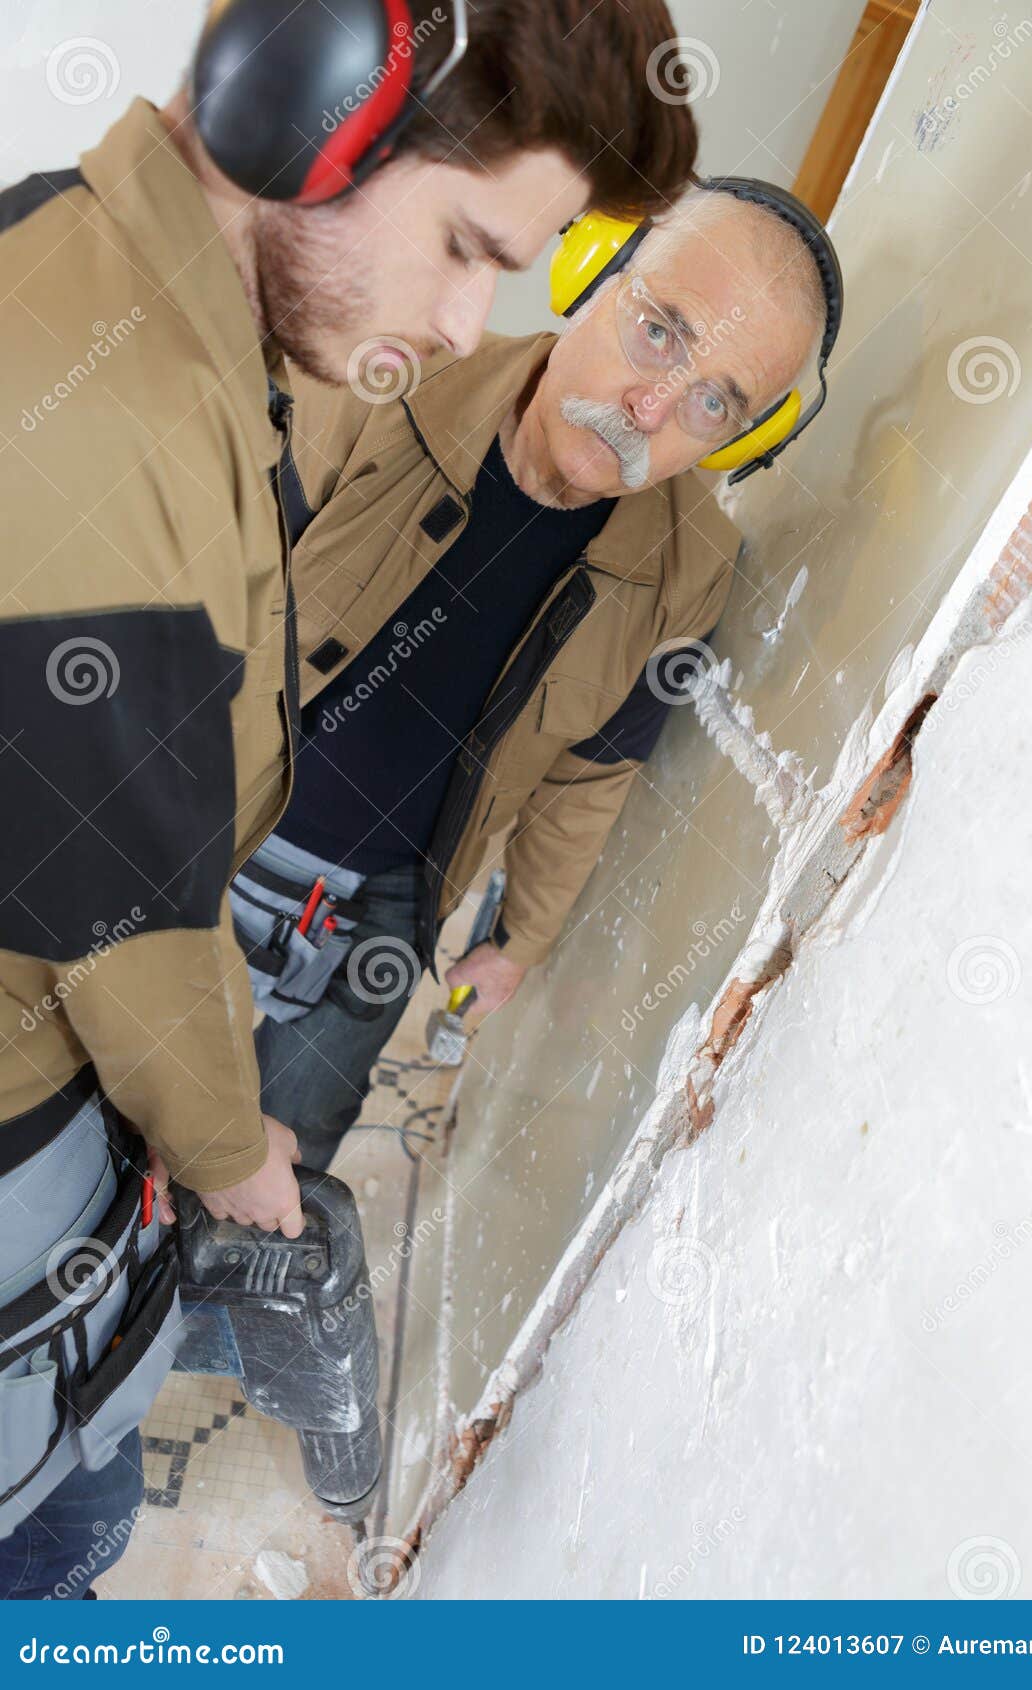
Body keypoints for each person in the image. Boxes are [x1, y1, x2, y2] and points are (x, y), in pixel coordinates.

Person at [0, 0, 697, 1597]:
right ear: (304, 105)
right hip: (22, 1096)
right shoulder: (105, 425)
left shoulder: (138, 311)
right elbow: (122, 924)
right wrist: (230, 1144)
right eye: (461, 244)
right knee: (66, 1517)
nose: (464, 321)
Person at [226, 178, 842, 1173]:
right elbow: (180, 618)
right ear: (588, 271)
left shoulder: (687, 571)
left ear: (743, 438)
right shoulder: (377, 382)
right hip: (201, 823)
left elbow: (590, 772)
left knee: (266, 1196)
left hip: (377, 922)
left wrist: (518, 938)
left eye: (714, 400)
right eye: (658, 332)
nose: (651, 408)